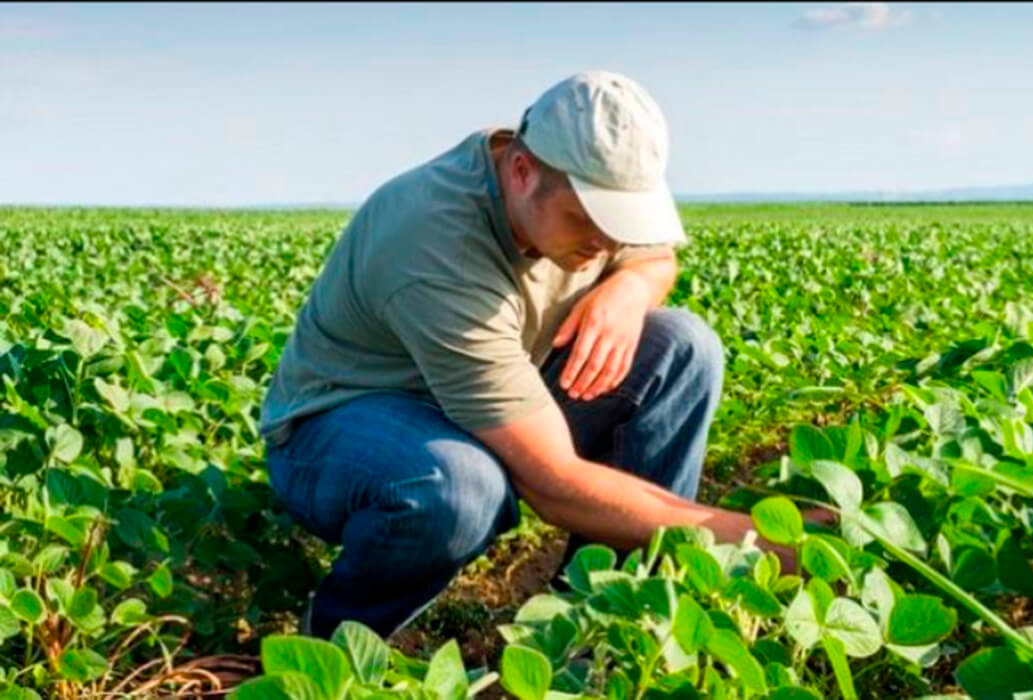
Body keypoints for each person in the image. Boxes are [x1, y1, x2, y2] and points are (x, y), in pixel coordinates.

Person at [259, 69, 824, 640]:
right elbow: (553, 483)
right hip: (344, 425)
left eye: (621, 223)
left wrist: (628, 290)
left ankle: (606, 620)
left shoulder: (586, 179)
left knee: (683, 347)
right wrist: (761, 544)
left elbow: (655, 259)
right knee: (458, 486)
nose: (606, 243)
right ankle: (336, 640)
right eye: (589, 221)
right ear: (522, 172)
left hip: (490, 395)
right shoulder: (434, 243)